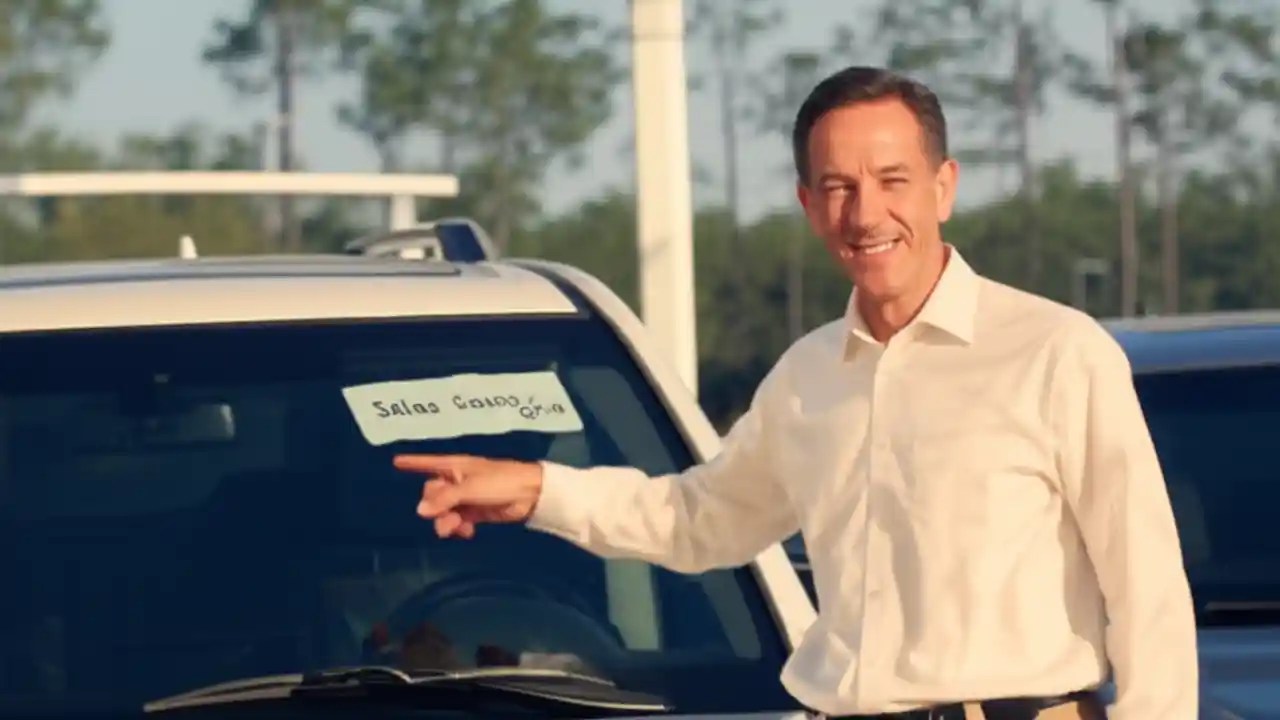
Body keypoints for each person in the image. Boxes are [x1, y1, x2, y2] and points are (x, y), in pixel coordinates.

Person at [393, 66, 1198, 719]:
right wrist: (536, 489)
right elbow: (697, 519)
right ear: (809, 205)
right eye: (838, 187)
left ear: (943, 187)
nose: (866, 213)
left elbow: (1148, 590)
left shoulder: (1055, 353)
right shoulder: (807, 378)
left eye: (892, 180)